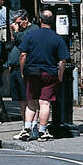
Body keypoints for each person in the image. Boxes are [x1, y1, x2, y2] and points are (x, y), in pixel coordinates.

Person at [16, 10, 69, 142]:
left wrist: (22, 71)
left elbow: (23, 55)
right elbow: (62, 60)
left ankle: (26, 129)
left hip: (32, 72)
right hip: (49, 73)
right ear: (52, 22)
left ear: (40, 20)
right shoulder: (57, 38)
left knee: (31, 103)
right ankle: (42, 131)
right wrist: (60, 75)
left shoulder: (31, 35)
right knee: (45, 103)